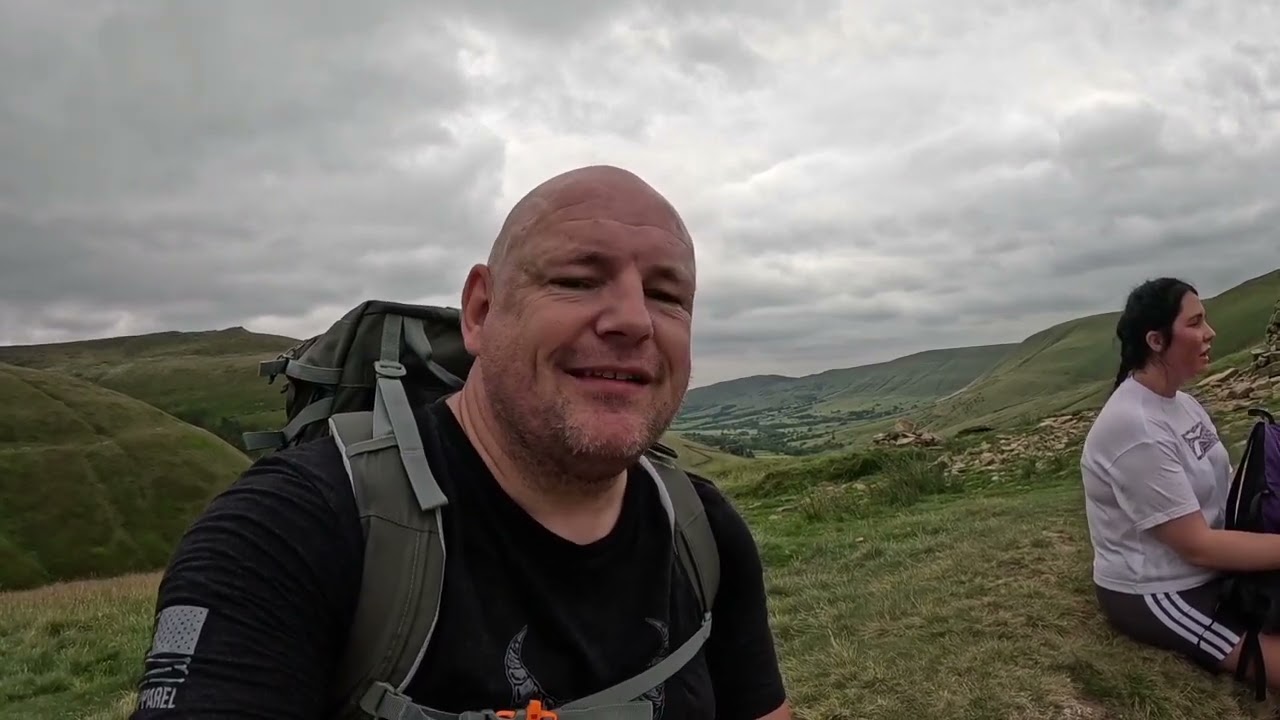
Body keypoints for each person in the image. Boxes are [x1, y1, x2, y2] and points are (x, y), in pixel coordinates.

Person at [128, 165, 791, 720]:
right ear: (481, 311)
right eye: (576, 280)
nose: (633, 320)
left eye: (667, 294)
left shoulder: (703, 532)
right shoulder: (287, 532)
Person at [1081, 276, 1280, 689]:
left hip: (1215, 569)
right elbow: (1197, 546)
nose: (1210, 333)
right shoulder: (1135, 428)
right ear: (1156, 341)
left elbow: (1223, 484)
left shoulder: (1183, 403)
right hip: (1164, 589)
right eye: (1195, 323)